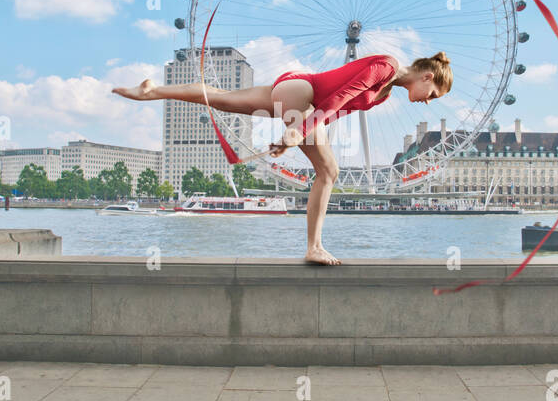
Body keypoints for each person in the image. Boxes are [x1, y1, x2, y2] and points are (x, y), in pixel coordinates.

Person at [112, 52, 453, 265]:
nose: (429, 100)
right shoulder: (386, 66)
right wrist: (298, 131)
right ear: (427, 76)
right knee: (329, 172)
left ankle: (151, 91)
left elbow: (336, 110)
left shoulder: (383, 94)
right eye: (434, 93)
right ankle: (314, 247)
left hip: (292, 90)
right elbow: (339, 98)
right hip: (302, 92)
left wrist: (296, 134)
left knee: (223, 98)